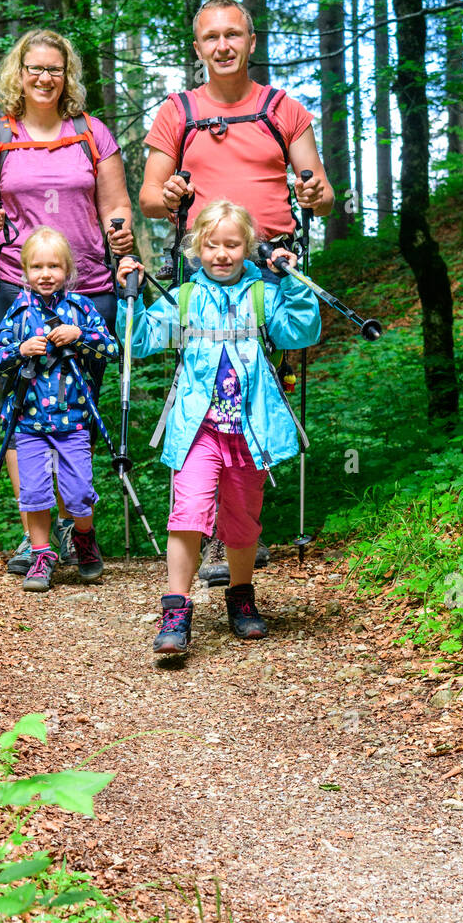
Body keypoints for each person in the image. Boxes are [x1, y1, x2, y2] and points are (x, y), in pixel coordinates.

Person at [138, 0, 335, 585]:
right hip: (207, 266)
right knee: (209, 381)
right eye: (210, 38)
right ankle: (218, 534)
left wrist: (316, 194)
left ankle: (240, 526)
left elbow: (317, 187)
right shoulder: (176, 112)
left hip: (271, 267)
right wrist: (168, 196)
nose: (222, 46)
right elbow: (149, 197)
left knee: (259, 387)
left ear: (251, 41)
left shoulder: (283, 109)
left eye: (233, 35)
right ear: (197, 49)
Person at [116, 200, 321, 659]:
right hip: (198, 429)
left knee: (242, 521)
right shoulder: (185, 297)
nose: (222, 254)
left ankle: (241, 597)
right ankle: (176, 609)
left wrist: (292, 281)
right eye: (212, 245)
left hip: (251, 428)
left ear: (248, 247)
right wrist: (128, 293)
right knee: (187, 512)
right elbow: (141, 338)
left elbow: (300, 333)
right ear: (196, 248)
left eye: (232, 244)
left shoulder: (262, 294)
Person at [0, 28, 134, 573]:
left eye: (54, 69)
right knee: (21, 410)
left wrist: (124, 246)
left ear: (68, 76)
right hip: (15, 282)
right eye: (34, 68)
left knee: (76, 407)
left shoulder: (91, 133)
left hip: (87, 286)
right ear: (18, 73)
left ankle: (73, 523)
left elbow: (118, 208)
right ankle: (34, 535)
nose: (44, 77)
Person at [0, 227, 118, 592]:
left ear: (68, 270)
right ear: (25, 271)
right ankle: (42, 554)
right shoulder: (18, 311)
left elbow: (111, 348)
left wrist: (81, 336)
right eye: (37, 267)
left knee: (77, 492)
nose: (46, 274)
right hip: (28, 421)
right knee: (34, 492)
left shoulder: (80, 308)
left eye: (54, 266)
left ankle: (84, 536)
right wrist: (20, 350)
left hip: (73, 420)